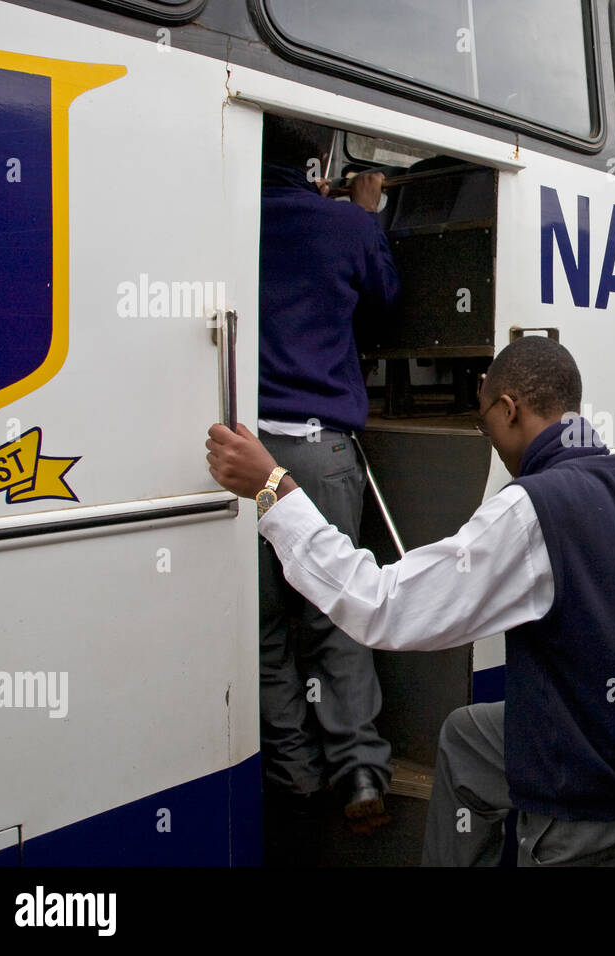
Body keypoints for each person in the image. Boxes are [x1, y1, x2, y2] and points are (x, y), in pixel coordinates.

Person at [206, 335, 615, 866]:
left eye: (484, 424)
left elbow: (383, 606)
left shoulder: (532, 508)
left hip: (596, 787)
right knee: (467, 735)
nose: (490, 440)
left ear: (508, 410)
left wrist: (272, 488)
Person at [256, 115, 399, 830]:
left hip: (242, 455)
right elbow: (384, 300)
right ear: (318, 163)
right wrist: (366, 215)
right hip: (320, 448)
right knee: (334, 612)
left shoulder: (224, 211)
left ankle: (293, 775)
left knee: (263, 629)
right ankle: (361, 773)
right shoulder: (342, 225)